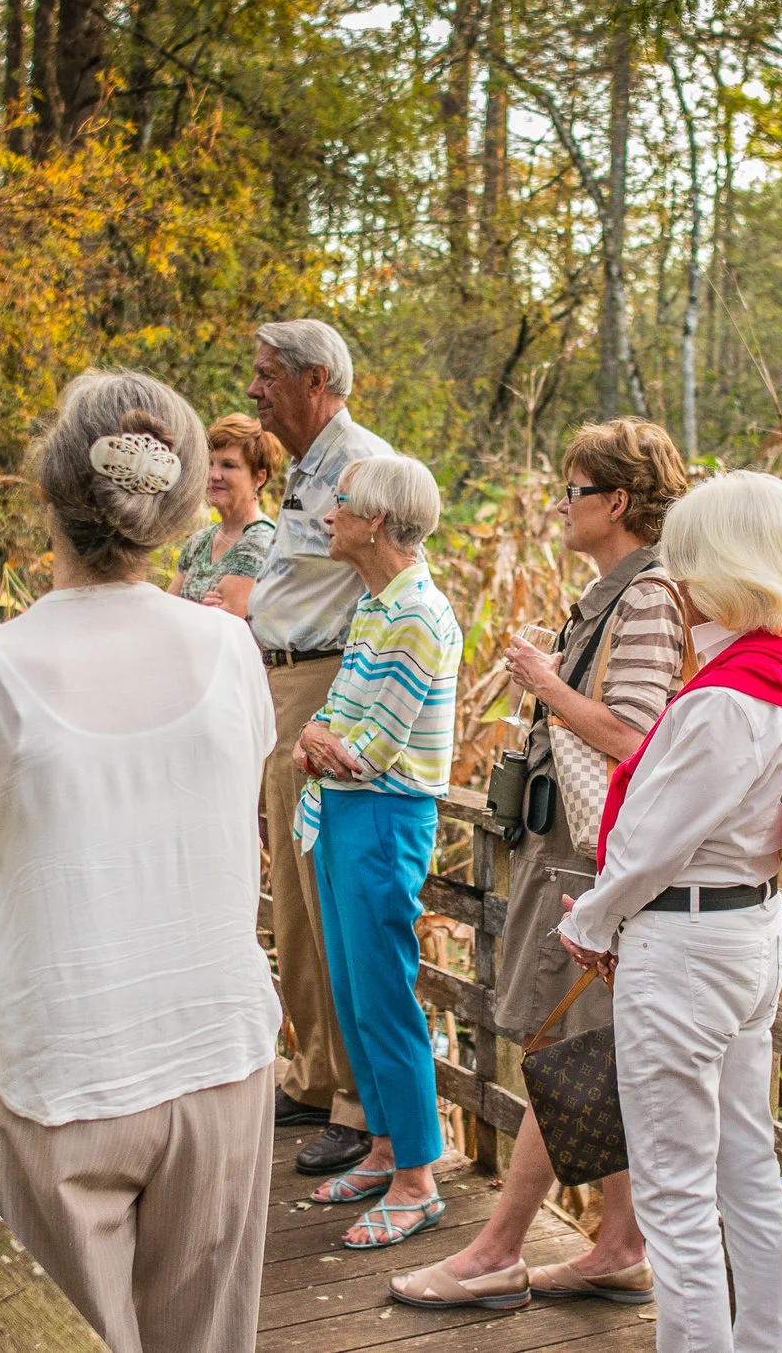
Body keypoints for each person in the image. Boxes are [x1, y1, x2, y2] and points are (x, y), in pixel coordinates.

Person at [0, 371, 277, 1353]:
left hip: (65, 1063)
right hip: (220, 1050)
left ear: (47, 488)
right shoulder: (232, 650)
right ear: (178, 507)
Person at [393, 418, 688, 1312]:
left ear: (619, 501)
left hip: (586, 863)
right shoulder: (613, 592)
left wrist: (545, 684)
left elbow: (634, 737)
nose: (561, 506)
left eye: (573, 490)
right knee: (584, 1047)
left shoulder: (647, 596)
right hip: (565, 855)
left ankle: (495, 1250)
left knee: (564, 1046)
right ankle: (620, 1245)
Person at [558, 470, 782, 1353]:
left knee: (676, 1190)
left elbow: (654, 843)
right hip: (750, 923)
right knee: (748, 1165)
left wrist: (590, 923)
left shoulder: (726, 699)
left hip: (685, 941)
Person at [295, 453, 462, 1249]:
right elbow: (330, 723)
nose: (329, 514)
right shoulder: (373, 606)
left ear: (378, 520)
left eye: (343, 502)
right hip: (343, 816)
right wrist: (320, 738)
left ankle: (418, 1180)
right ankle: (386, 1145)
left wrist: (318, 741)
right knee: (354, 992)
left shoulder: (417, 615)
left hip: (385, 817)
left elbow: (370, 748)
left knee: (387, 997)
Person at [245, 318, 391, 1174]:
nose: (255, 391)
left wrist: (350, 706)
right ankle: (310, 1073)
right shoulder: (306, 467)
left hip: (326, 685)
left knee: (325, 890)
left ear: (314, 381)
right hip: (281, 683)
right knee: (292, 898)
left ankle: (355, 1097)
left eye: (267, 377)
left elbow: (394, 583)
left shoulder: (362, 466)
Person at [175, 412, 283, 616]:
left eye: (228, 465)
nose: (214, 475)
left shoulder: (260, 542)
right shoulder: (198, 542)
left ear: (258, 478)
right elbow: (166, 613)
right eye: (210, 463)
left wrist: (187, 610)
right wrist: (201, 611)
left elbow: (224, 630)